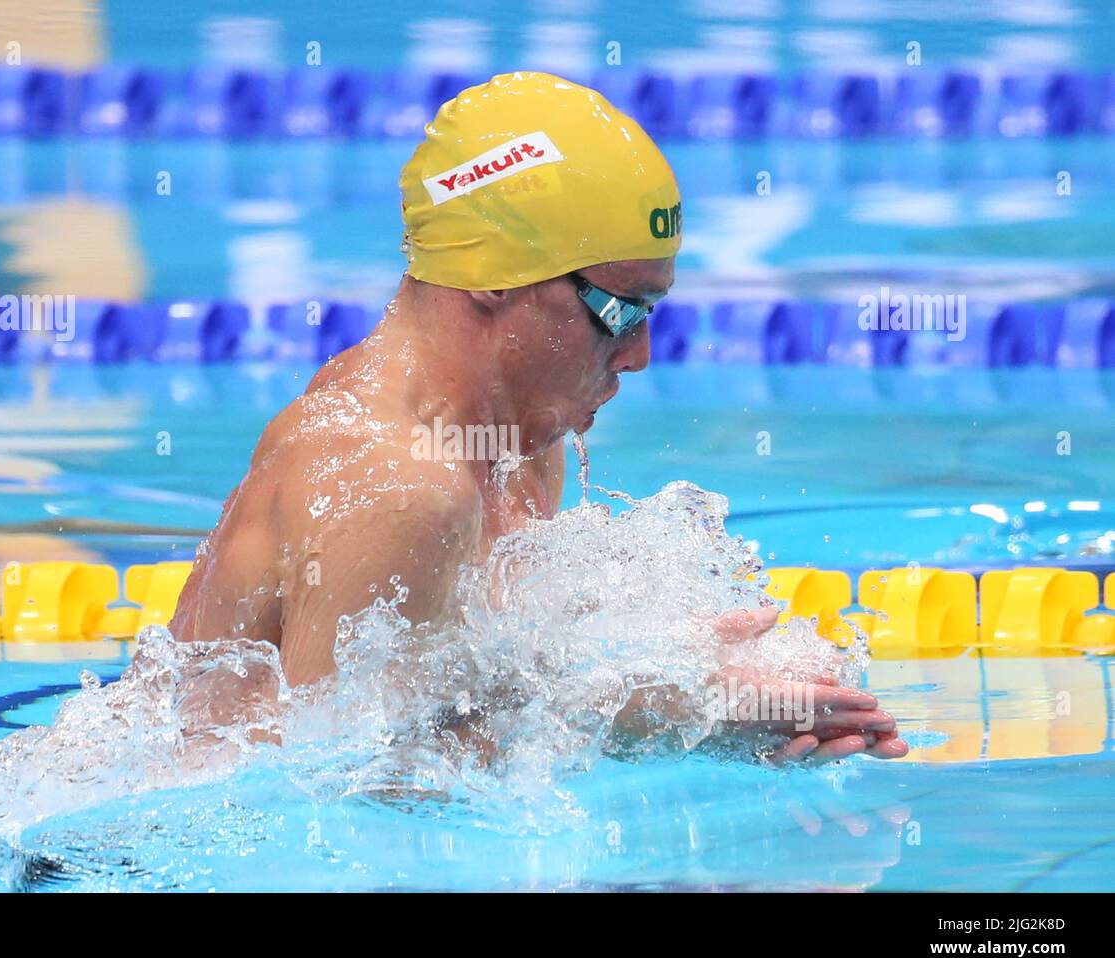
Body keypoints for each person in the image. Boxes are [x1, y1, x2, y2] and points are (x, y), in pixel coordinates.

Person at [167, 71, 907, 765]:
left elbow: (466, 684)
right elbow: (345, 803)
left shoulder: (514, 438)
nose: (639, 355)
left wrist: (689, 674)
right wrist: (676, 716)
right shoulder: (400, 485)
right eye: (618, 312)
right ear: (494, 280)